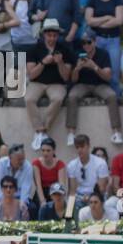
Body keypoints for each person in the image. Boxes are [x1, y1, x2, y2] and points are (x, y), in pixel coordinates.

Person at [24, 18, 74, 149]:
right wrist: (43, 62)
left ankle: (43, 131)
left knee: (58, 99)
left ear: (58, 35)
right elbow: (31, 74)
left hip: (56, 83)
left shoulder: (65, 50)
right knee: (29, 98)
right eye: (49, 35)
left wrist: (60, 62)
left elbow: (66, 76)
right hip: (37, 82)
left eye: (54, 35)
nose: (52, 38)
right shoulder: (34, 49)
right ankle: (40, 130)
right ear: (44, 35)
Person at [65, 34, 122, 146]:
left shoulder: (103, 54)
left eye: (89, 42)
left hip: (100, 85)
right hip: (82, 84)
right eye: (84, 43)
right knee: (71, 97)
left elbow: (108, 76)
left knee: (112, 96)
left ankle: (116, 132)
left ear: (95, 42)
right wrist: (77, 68)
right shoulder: (78, 54)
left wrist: (94, 67)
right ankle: (71, 134)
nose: (86, 45)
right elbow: (73, 79)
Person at [84, 0, 123, 96]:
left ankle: (117, 101)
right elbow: (89, 21)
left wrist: (99, 23)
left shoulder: (117, 0)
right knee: (96, 72)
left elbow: (119, 20)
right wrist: (107, 17)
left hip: (113, 40)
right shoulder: (93, 1)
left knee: (113, 74)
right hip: (98, 40)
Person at [64, 134, 109, 201]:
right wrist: (69, 209)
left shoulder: (100, 163)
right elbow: (72, 191)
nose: (79, 150)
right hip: (79, 197)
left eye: (82, 147)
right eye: (77, 147)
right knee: (70, 208)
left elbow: (101, 189)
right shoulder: (72, 165)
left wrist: (89, 198)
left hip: (97, 196)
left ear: (88, 146)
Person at [31, 137, 66, 206]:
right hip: (41, 191)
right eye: (43, 150)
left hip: (55, 191)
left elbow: (61, 184)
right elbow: (38, 185)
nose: (45, 153)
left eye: (48, 150)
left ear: (54, 151)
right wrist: (42, 201)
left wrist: (58, 199)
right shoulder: (36, 163)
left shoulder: (60, 164)